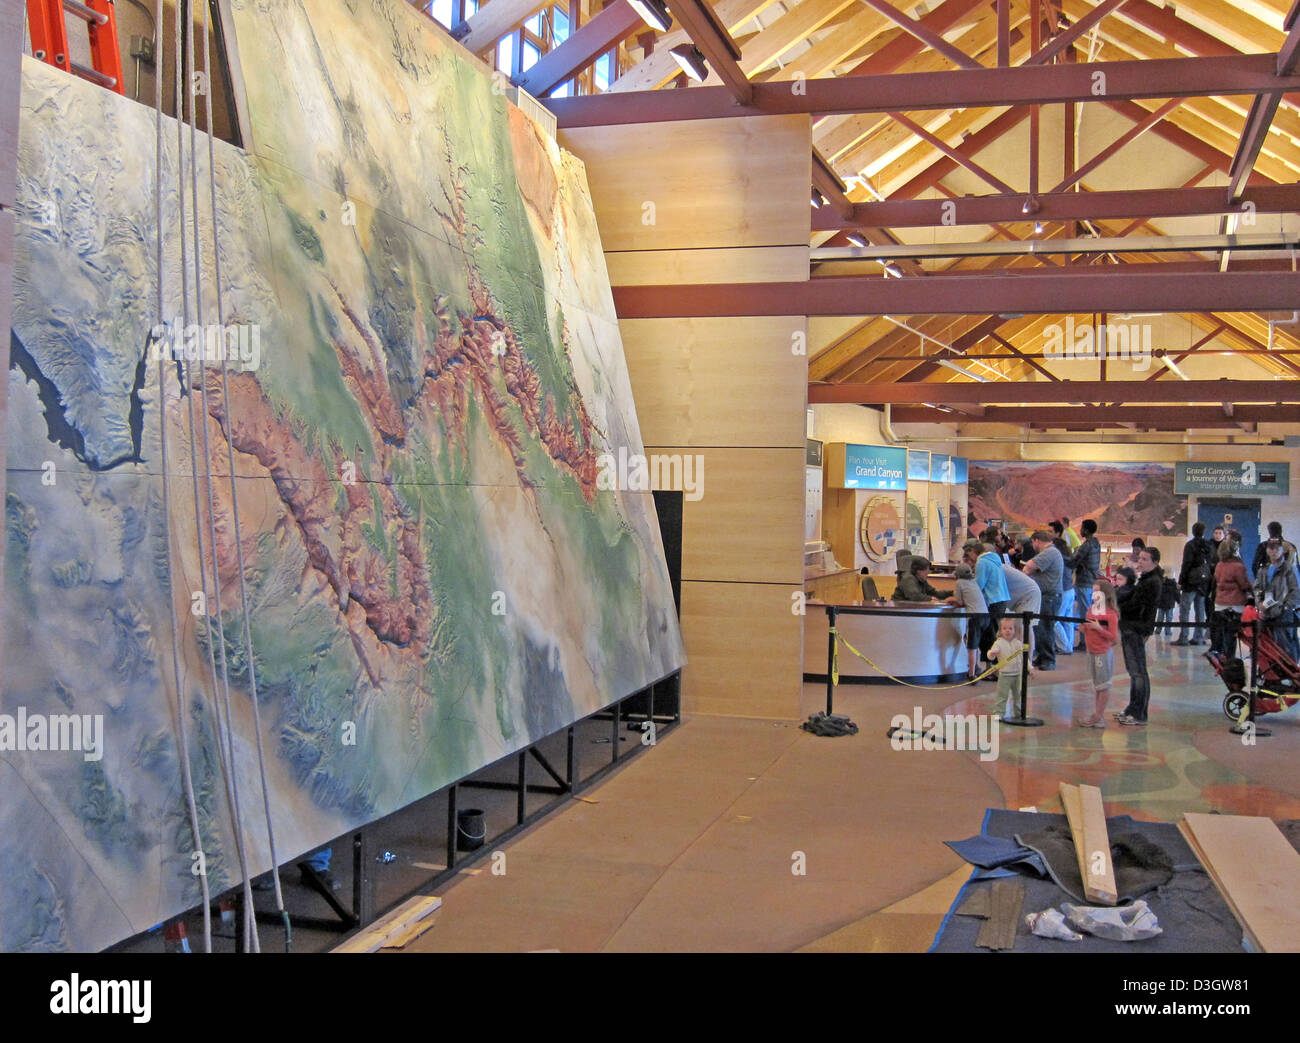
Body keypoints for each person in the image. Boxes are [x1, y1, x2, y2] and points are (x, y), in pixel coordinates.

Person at [1115, 548, 1162, 726]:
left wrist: (1119, 604)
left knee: (1138, 672)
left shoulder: (1151, 582)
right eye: (1140, 558)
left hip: (1137, 627)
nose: (1140, 562)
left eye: (1145, 559)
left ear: (1154, 562)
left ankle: (1139, 712)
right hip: (1132, 626)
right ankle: (1133, 707)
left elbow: (1136, 604)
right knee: (1134, 671)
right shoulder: (1146, 580)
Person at [1077, 579, 1120, 728]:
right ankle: (1097, 714)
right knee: (1098, 685)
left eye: (1097, 592)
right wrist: (1085, 628)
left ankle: (1098, 715)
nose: (1094, 595)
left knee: (1103, 685)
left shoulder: (1110, 614)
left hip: (1102, 653)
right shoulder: (1091, 609)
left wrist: (1099, 629)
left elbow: (1114, 638)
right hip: (1092, 651)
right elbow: (1089, 626)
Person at [1023, 529, 1064, 671]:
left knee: (1045, 628)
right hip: (1048, 596)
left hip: (1049, 597)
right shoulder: (1052, 552)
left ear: (1036, 541)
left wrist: (1028, 566)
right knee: (1041, 629)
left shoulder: (1049, 553)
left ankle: (1048, 659)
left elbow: (1028, 568)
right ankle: (1042, 656)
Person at [1254, 539, 1300, 662]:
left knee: (1286, 645)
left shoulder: (1290, 569)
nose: (1273, 551)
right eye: (1270, 548)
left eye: (1276, 548)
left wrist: (1285, 607)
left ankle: (1291, 674)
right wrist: (1259, 603)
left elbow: (1295, 591)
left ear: (1282, 550)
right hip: (1267, 612)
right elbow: (1257, 588)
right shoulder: (1263, 569)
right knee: (1268, 646)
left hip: (1284, 614)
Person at [965, 539, 1009, 661]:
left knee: (989, 635)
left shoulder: (982, 562)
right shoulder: (994, 559)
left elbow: (979, 584)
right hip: (1002, 599)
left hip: (993, 601)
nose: (971, 559)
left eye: (969, 556)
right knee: (994, 633)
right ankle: (993, 666)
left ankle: (993, 666)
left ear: (974, 552)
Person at [1174, 521, 1215, 646]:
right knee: (1200, 609)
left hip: (1191, 582)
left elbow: (1186, 563)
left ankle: (1184, 637)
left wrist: (1181, 580)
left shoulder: (1190, 545)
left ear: (1193, 531)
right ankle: (1198, 637)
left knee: (1185, 609)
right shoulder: (1208, 545)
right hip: (1204, 582)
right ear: (1204, 532)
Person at [1210, 538, 1252, 657]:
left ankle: (1223, 658)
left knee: (1222, 633)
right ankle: (1231, 659)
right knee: (1232, 636)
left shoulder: (1219, 565)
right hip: (1235, 604)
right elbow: (1244, 585)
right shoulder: (1238, 566)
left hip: (1219, 604)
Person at [948, 563, 989, 680]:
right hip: (985, 615)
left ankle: (971, 674)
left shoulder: (959, 583)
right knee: (979, 643)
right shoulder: (974, 582)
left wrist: (951, 600)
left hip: (974, 616)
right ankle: (979, 668)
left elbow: (960, 602)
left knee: (972, 646)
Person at [1002, 560, 1041, 664]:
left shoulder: (996, 569)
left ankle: (1024, 663)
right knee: (1026, 628)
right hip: (1027, 594)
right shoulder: (999, 566)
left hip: (1029, 595)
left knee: (1023, 628)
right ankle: (1026, 662)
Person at [989, 616, 1028, 720]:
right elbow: (990, 654)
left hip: (1017, 674)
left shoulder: (1018, 643)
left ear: (1015, 630)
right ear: (1000, 630)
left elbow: (1024, 657)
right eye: (1005, 628)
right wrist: (992, 654)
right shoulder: (998, 643)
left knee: (1018, 695)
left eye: (1010, 628)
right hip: (1004, 675)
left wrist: (1030, 668)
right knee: (1002, 695)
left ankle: (1019, 713)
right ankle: (999, 713)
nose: (1007, 631)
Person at [1069, 519, 1102, 633]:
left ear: (1086, 531)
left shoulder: (1086, 546)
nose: (1080, 530)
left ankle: (1085, 641)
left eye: (1082, 528)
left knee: (1085, 613)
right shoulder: (1096, 543)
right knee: (1083, 609)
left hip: (1084, 581)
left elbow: (1074, 562)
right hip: (1091, 580)